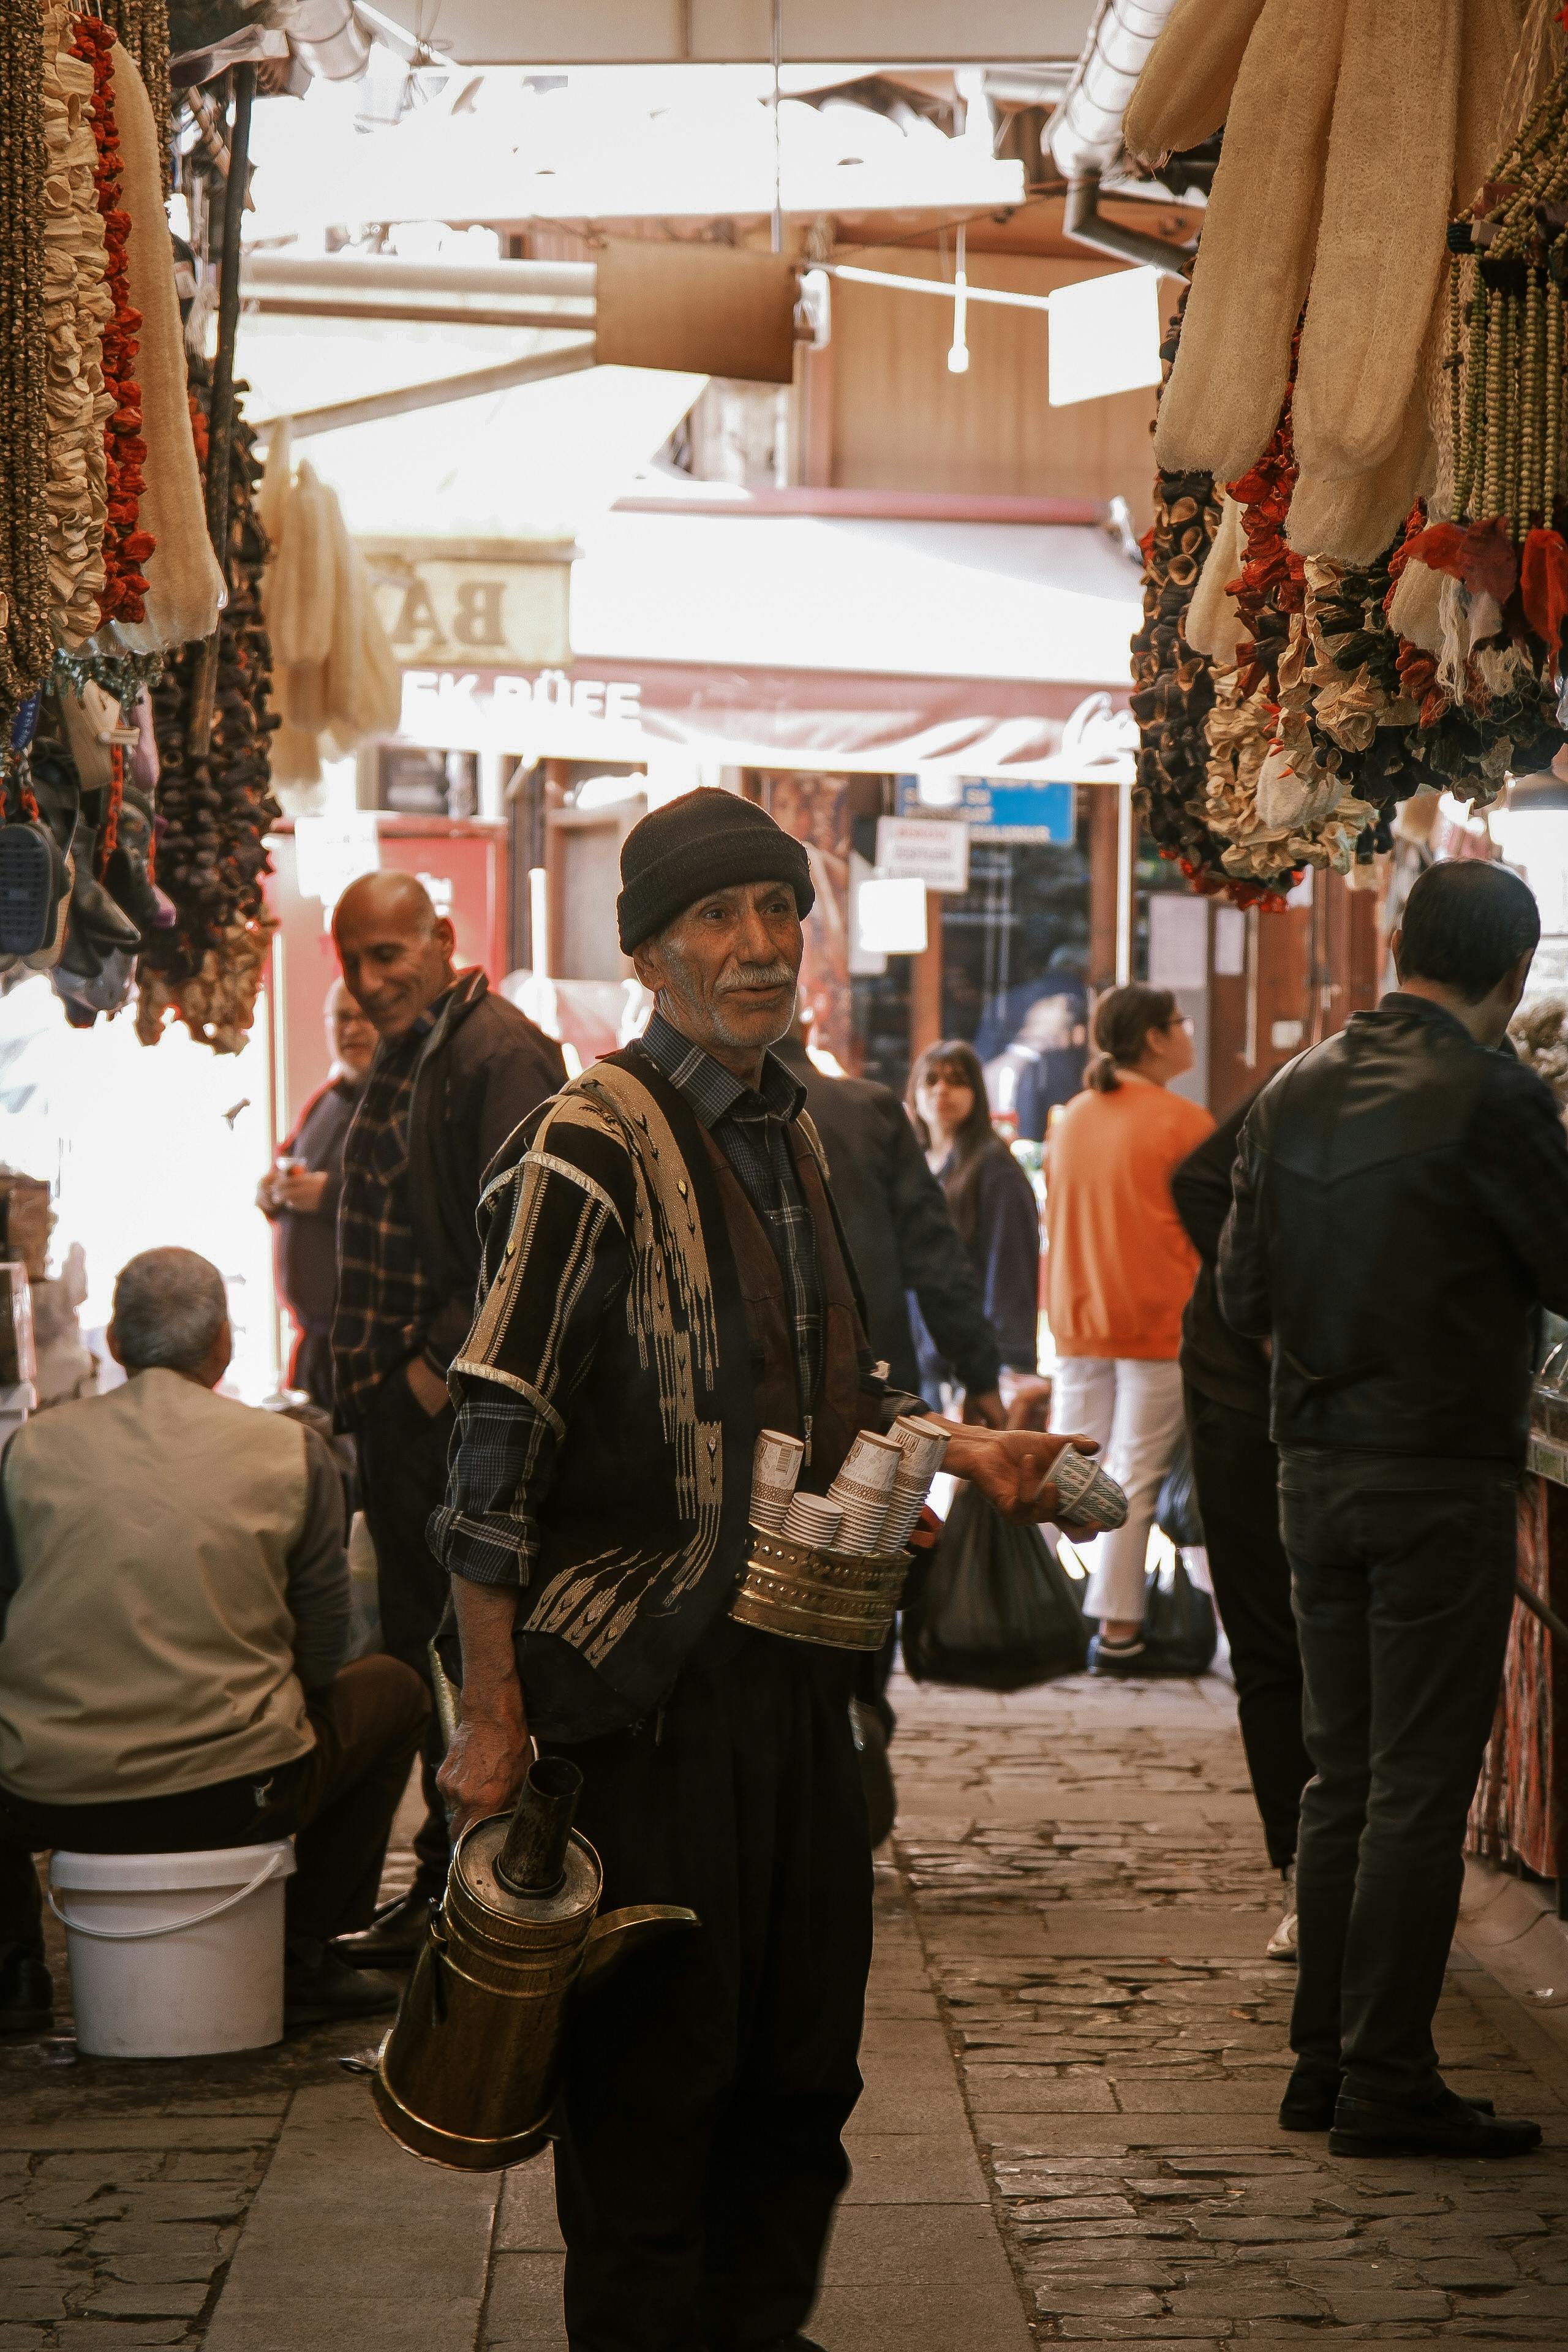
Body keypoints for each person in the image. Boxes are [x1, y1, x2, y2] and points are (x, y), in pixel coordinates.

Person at [429, 786, 1099, 2352]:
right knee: (657, 2077)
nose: (755, 944)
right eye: (715, 915)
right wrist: (490, 1712)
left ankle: (754, 2330)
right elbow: (491, 1443)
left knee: (801, 2063)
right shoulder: (584, 1145)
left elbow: (825, 1393)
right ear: (647, 953)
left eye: (777, 909)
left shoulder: (788, 1127)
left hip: (795, 1686)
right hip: (638, 1704)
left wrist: (966, 1451)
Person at [1219, 858, 1567, 2159]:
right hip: (1435, 1471)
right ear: (1514, 971)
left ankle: (1323, 2065)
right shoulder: (1495, 1094)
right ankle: (1384, 2077)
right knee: (1418, 1785)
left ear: (1402, 945)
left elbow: (1238, 1300)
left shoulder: (1290, 1088)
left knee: (1344, 1778)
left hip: (1312, 1469)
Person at [0, 1248, 428, 2034]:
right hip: (238, 1795)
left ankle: (13, 1969)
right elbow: (324, 1647)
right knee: (397, 1691)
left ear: (115, 1345)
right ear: (224, 1344)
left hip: (47, 1801)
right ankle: (302, 1953)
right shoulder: (291, 1451)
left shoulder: (29, 1449)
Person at [329, 872, 565, 1967]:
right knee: (425, 1651)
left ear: (441, 940)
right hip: (405, 1413)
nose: (370, 980)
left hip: (449, 1413)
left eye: (388, 954)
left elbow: (526, 1242)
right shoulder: (423, 1046)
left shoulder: (496, 1052)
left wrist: (431, 1371)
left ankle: (462, 1892)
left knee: (455, 1655)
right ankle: (446, 1884)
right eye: (353, 960)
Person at [1172, 1093, 1310, 1959]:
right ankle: (1303, 1874)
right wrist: (1260, 1319)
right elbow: (1196, 1181)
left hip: (1355, 1409)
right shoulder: (1303, 1084)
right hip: (1242, 1395)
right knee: (1271, 1642)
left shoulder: (1486, 1087)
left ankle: (1360, 1876)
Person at [1045, 982, 1213, 1672]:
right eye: (1179, 1023)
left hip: (1078, 1315)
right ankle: (1118, 1632)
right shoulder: (1184, 1123)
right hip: (1156, 1317)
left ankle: (1031, 1603)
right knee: (1135, 1474)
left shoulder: (1073, 1117)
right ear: (1153, 1038)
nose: (1188, 1032)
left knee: (1062, 1469)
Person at [772, 1020, 1008, 1422]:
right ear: (809, 1029)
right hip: (871, 1386)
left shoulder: (691, 1118)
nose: (941, 1091)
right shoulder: (871, 1112)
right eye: (931, 1081)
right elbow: (937, 1262)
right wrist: (979, 1376)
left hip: (750, 1392)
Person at [258, 978, 376, 1411]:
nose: (352, 1029)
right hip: (315, 1343)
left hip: (368, 1346)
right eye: (342, 1018)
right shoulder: (326, 1099)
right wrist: (272, 1192)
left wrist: (330, 1196)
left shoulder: (401, 1103)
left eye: (364, 1016)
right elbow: (289, 1164)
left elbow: (412, 1200)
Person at [905, 1040, 1041, 1412]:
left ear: (976, 1094)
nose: (941, 1090)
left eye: (956, 1080)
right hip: (921, 1360)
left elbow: (1010, 1268)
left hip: (973, 1367)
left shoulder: (994, 1167)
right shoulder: (912, 1166)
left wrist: (1005, 1362)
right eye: (931, 1080)